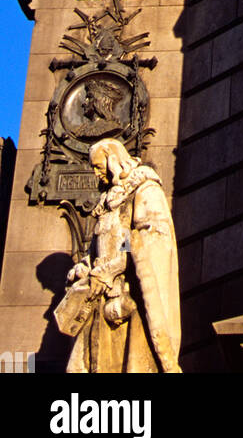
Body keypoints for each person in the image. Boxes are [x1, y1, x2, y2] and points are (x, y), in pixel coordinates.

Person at [55, 139, 181, 373]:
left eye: (98, 166)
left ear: (113, 161)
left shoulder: (144, 189)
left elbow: (140, 237)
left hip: (129, 298)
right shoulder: (107, 202)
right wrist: (85, 266)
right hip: (99, 299)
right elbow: (98, 247)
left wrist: (117, 264)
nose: (95, 173)